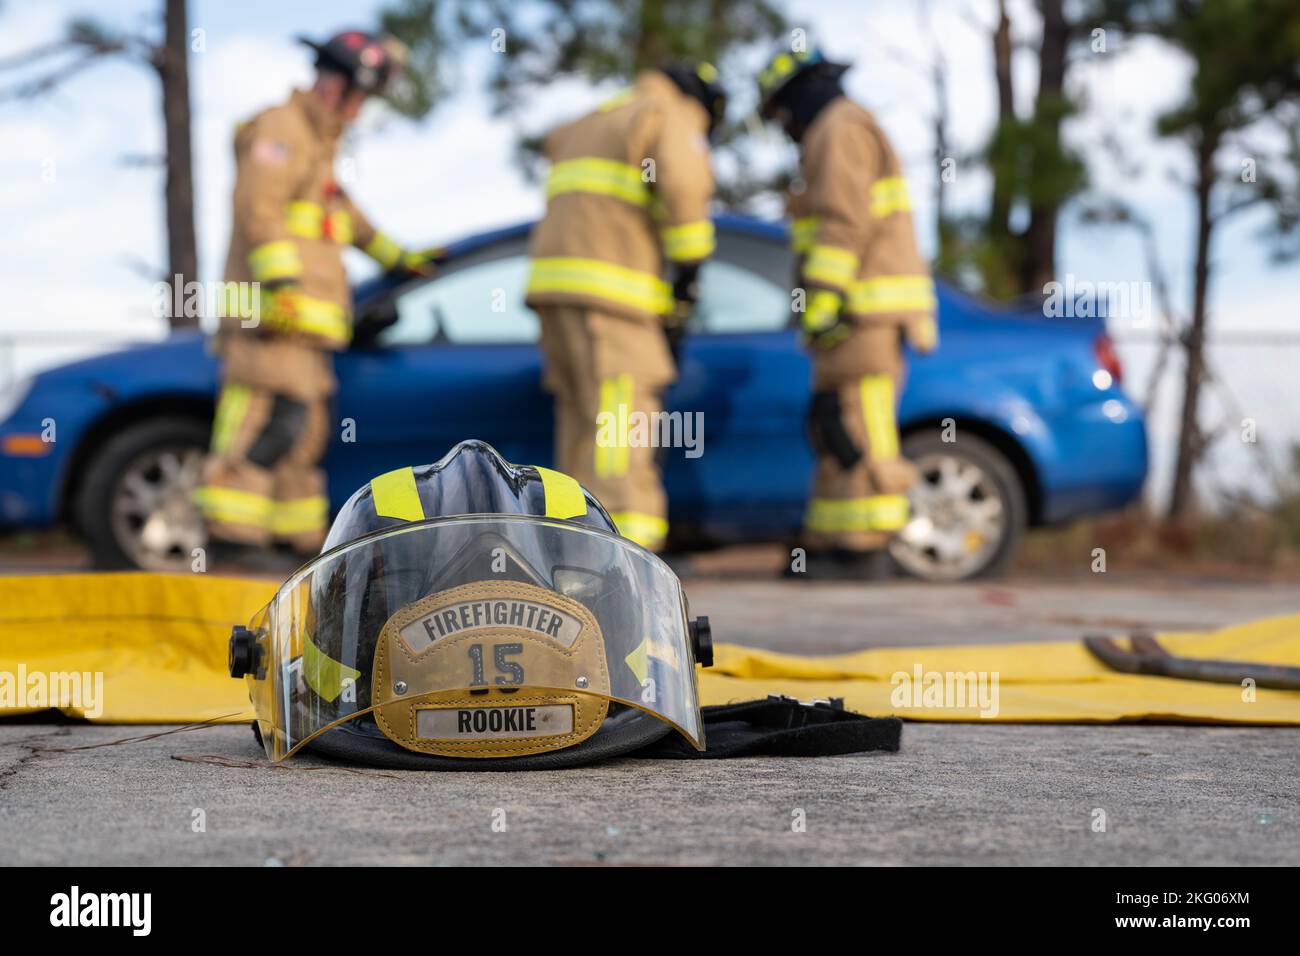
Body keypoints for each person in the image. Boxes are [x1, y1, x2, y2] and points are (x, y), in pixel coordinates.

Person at [195, 29, 436, 559]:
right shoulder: (283, 128)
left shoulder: (321, 145)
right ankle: (230, 540)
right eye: (363, 97)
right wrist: (281, 283)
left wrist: (402, 260)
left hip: (306, 329)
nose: (362, 110)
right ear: (341, 87)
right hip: (270, 319)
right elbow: (257, 206)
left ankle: (289, 543)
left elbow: (345, 220)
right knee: (260, 425)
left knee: (300, 435)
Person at [524, 62, 726, 554]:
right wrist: (689, 268)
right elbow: (684, 188)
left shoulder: (594, 119)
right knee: (620, 428)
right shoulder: (668, 113)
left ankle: (570, 555)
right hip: (614, 302)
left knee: (581, 426)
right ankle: (622, 562)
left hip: (558, 293)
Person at [757, 46, 939, 580]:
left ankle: (865, 548)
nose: (784, 126)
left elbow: (844, 223)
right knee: (835, 421)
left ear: (800, 95)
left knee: (858, 420)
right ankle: (838, 540)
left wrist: (823, 299)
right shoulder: (835, 129)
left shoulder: (838, 130)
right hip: (856, 308)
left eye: (782, 112)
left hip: (864, 308)